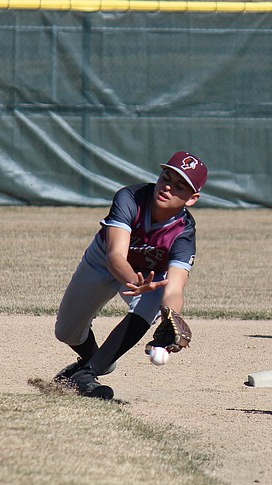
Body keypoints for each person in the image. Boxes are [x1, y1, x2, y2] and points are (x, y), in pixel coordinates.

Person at [52, 151, 207, 400]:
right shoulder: (131, 198)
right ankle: (96, 359)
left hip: (149, 276)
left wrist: (172, 318)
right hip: (103, 260)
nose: (168, 187)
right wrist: (133, 281)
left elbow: (175, 288)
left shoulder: (184, 233)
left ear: (192, 199)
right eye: (166, 177)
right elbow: (115, 256)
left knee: (153, 303)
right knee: (66, 332)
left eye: (180, 186)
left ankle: (87, 373)